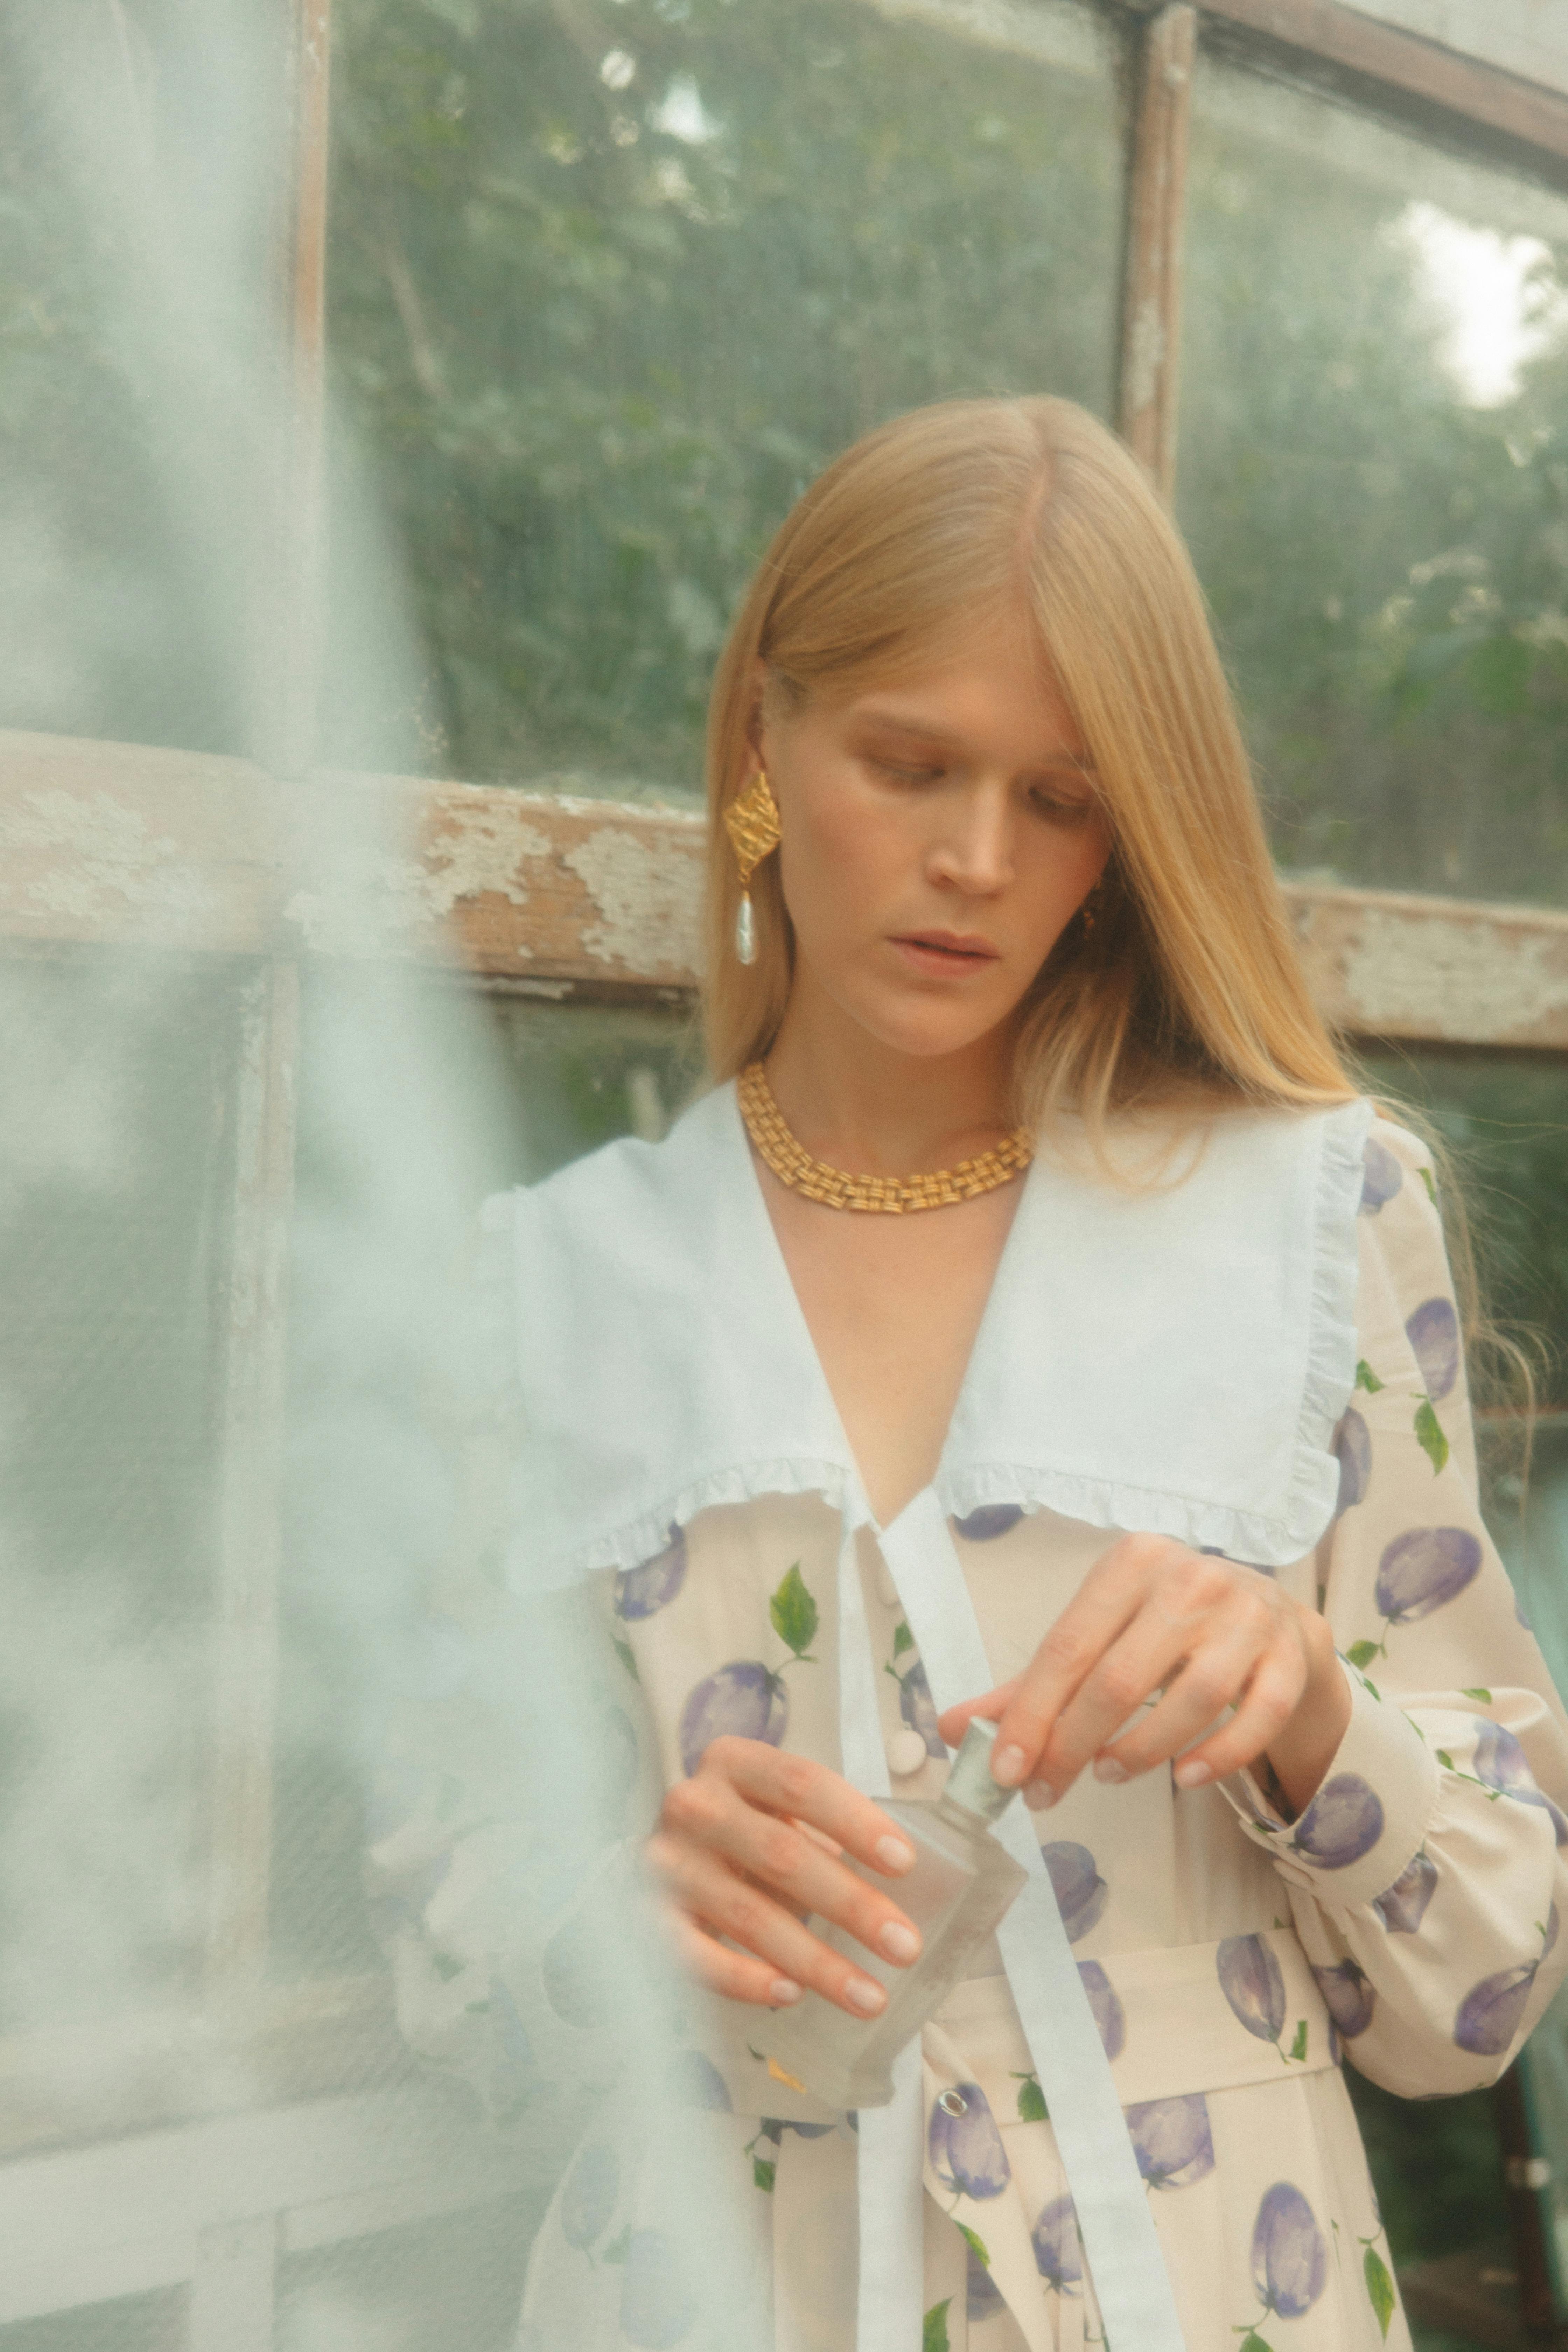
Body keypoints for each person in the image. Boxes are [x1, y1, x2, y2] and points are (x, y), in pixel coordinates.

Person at [370, 397, 1568, 2352]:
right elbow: (455, 1992)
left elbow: (1483, 2000)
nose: (977, 861)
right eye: (909, 764)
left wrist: (1305, 1714)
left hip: (1210, 2285)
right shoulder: (545, 1287)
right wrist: (618, 1906)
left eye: (1066, 798)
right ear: (766, 737)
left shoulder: (1312, 1221)